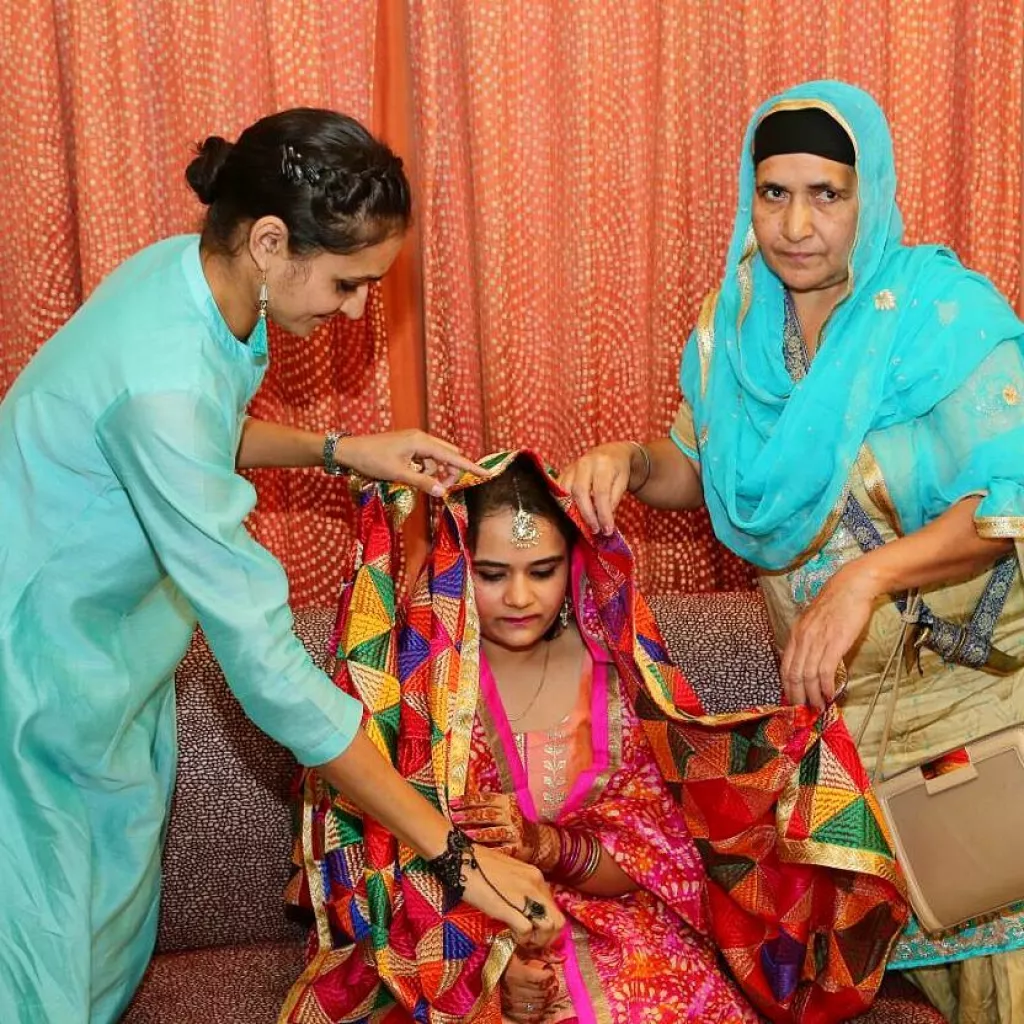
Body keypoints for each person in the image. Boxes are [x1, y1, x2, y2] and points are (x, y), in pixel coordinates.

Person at [0, 108, 563, 1024]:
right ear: (270, 241)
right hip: (30, 679)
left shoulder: (189, 283)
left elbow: (197, 435)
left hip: (105, 665)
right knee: (39, 972)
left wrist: (343, 450)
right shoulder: (163, 380)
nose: (353, 311)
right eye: (346, 283)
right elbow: (266, 668)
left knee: (101, 944)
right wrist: (449, 852)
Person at [562, 79, 1024, 1021]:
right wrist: (631, 461)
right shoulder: (731, 330)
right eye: (774, 194)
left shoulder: (941, 315)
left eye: (827, 194)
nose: (796, 226)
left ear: (873, 195)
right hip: (841, 732)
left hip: (984, 711)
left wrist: (866, 578)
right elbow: (696, 467)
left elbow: (1007, 498)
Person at [282, 453, 760, 1023]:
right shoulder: (414, 684)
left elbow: (656, 858)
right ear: (455, 562)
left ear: (574, 562)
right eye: (492, 573)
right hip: (449, 938)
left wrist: (544, 846)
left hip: (618, 930)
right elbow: (382, 860)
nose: (519, 598)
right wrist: (492, 964)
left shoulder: (614, 673)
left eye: (542, 571)